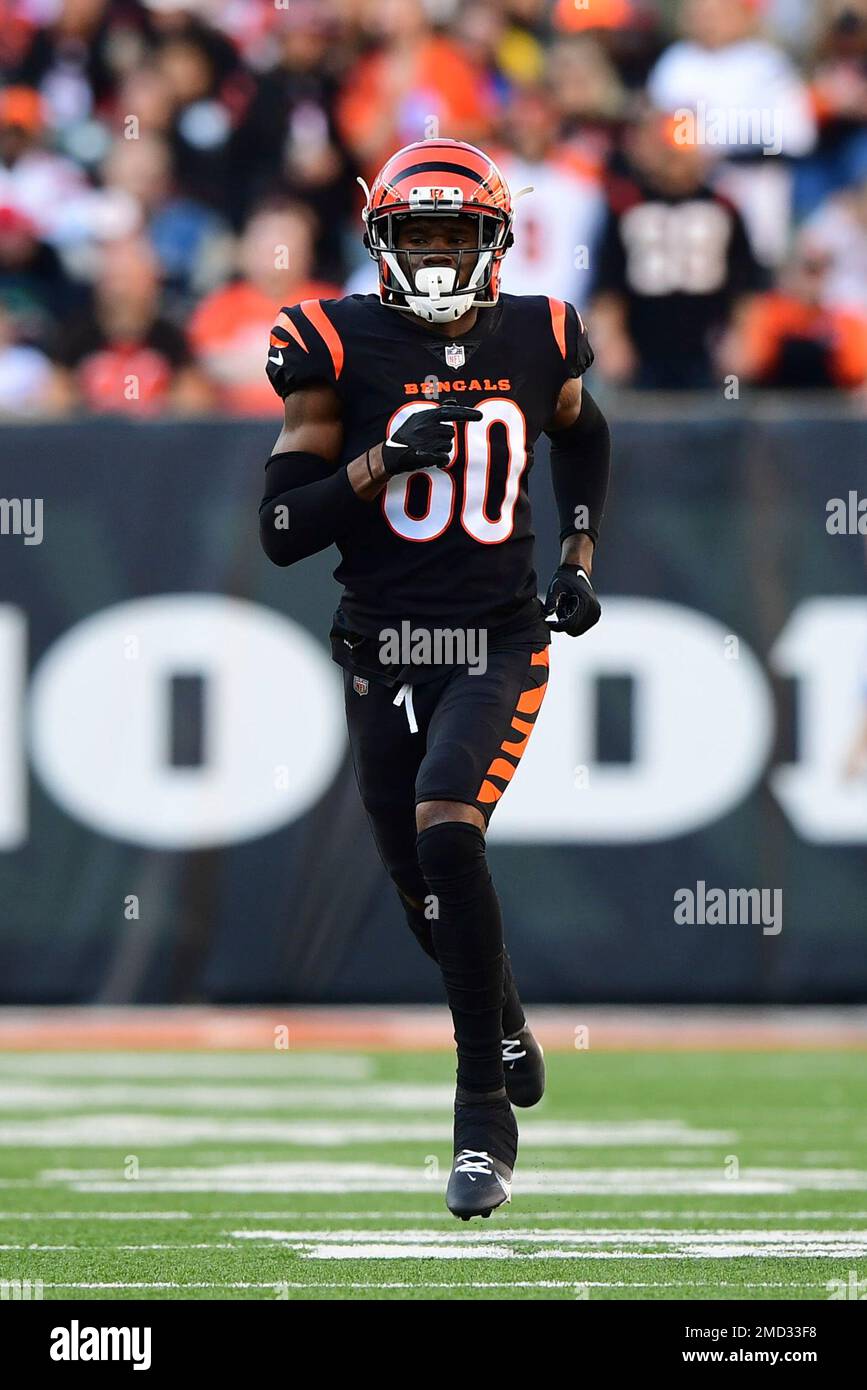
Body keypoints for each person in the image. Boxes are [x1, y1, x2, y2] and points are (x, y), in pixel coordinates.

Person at [258, 138, 611, 1219]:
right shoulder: (335, 342)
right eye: (420, 237)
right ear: (381, 244)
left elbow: (582, 431)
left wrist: (579, 556)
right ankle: (501, 1015)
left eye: (458, 234)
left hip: (497, 640)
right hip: (381, 648)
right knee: (419, 885)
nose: (441, 257)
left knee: (448, 825)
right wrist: (380, 461)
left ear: (496, 241)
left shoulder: (542, 333)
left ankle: (479, 1117)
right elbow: (279, 529)